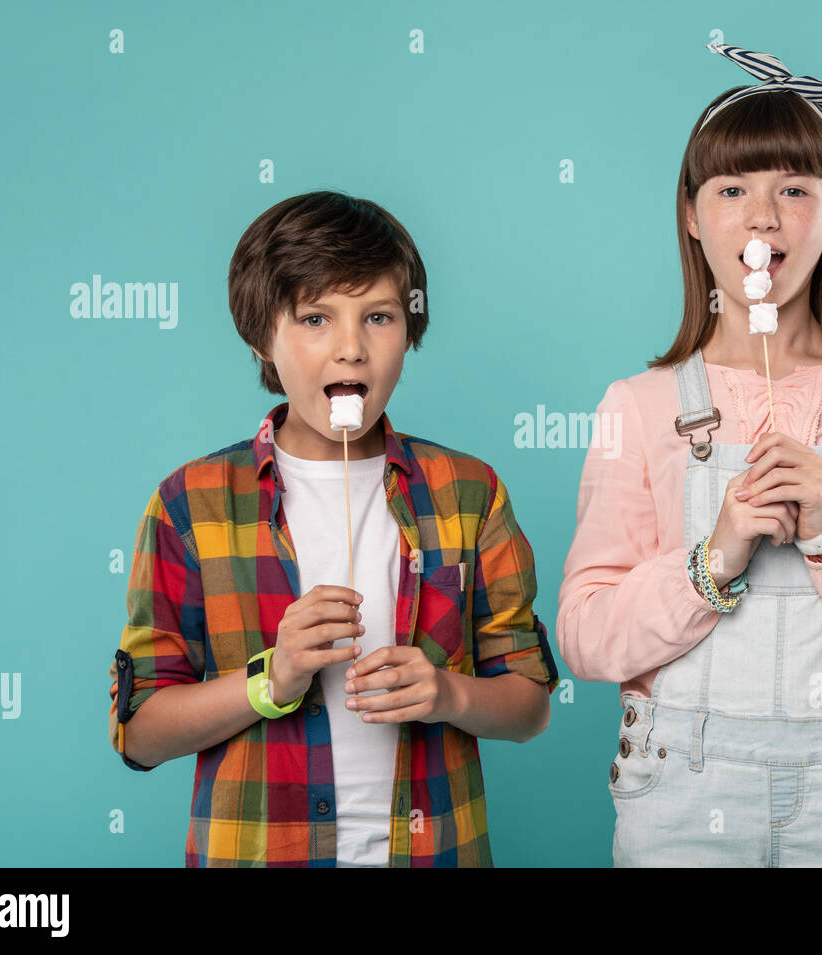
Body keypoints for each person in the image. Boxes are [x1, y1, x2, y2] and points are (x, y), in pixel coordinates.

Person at [556, 44, 822, 867]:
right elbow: (584, 637)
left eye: (794, 189)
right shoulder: (639, 405)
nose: (763, 217)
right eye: (733, 189)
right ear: (691, 215)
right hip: (679, 789)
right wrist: (712, 560)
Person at [107, 191, 558, 867]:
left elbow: (529, 705)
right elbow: (139, 732)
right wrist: (273, 680)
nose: (352, 349)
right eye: (316, 318)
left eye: (378, 316)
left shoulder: (470, 492)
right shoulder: (188, 504)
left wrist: (447, 692)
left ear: (409, 329)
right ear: (263, 335)